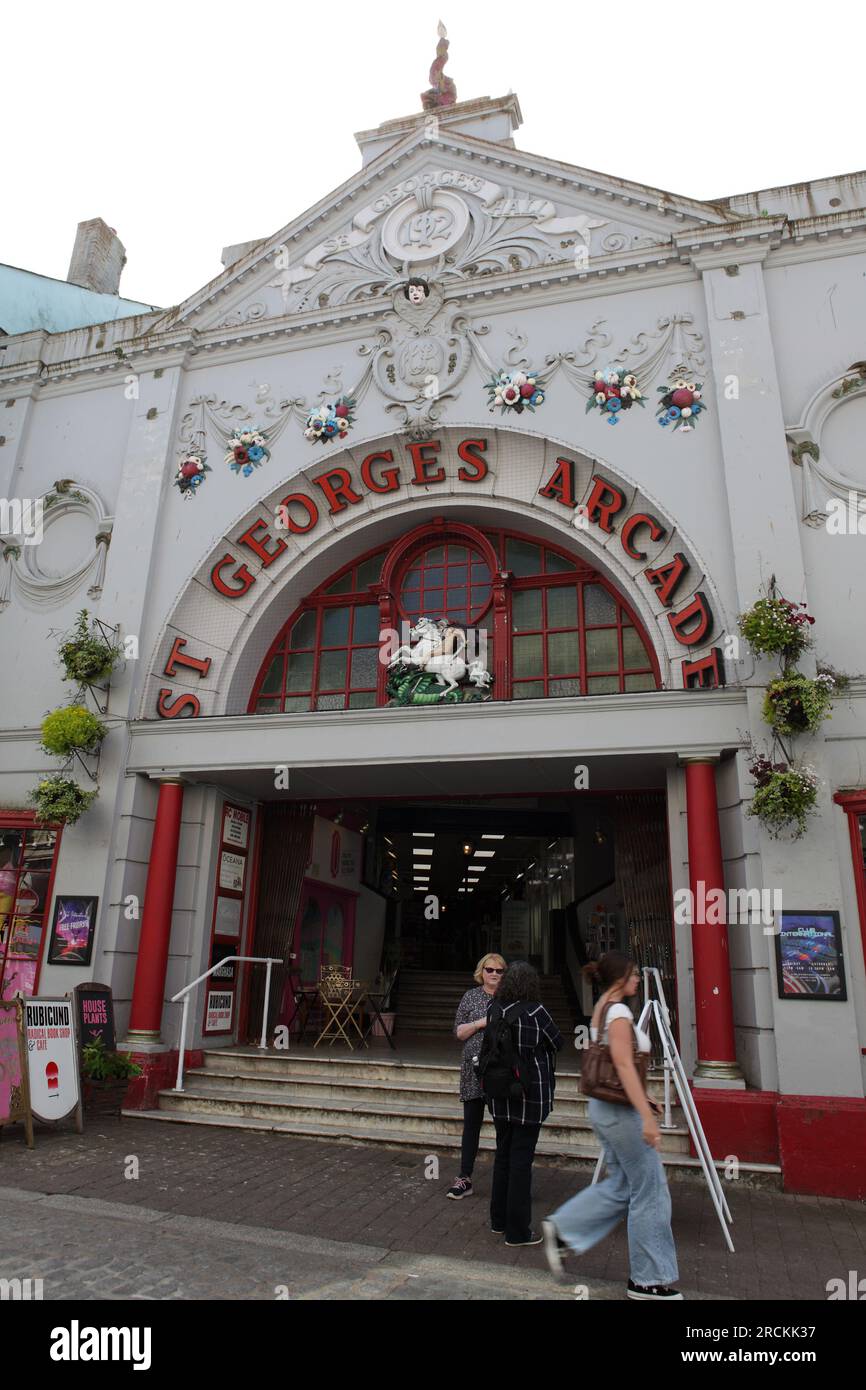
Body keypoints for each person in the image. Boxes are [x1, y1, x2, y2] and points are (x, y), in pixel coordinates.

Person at [542, 952, 682, 1301]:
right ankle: (648, 1280)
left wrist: (645, 1101)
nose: (638, 980)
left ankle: (564, 1229)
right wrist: (647, 1116)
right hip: (620, 1115)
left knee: (623, 1184)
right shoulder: (619, 1012)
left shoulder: (603, 1004)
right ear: (620, 979)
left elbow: (614, 1066)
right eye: (634, 975)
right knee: (650, 1191)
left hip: (605, 1107)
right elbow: (621, 1063)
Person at [486, 960, 563, 1246]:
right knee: (521, 1160)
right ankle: (517, 1231)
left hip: (499, 1092)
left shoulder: (493, 1008)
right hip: (530, 1093)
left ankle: (498, 1220)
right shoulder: (536, 1012)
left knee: (503, 1155)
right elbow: (557, 1042)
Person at [446, 952, 506, 1200]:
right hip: (473, 1071)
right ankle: (464, 1178)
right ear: (481, 972)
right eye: (489, 970)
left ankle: (507, 1179)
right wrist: (482, 1022)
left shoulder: (510, 999)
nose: (493, 974)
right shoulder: (470, 997)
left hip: (501, 1072)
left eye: (499, 971)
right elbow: (459, 1032)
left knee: (505, 1126)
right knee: (471, 1125)